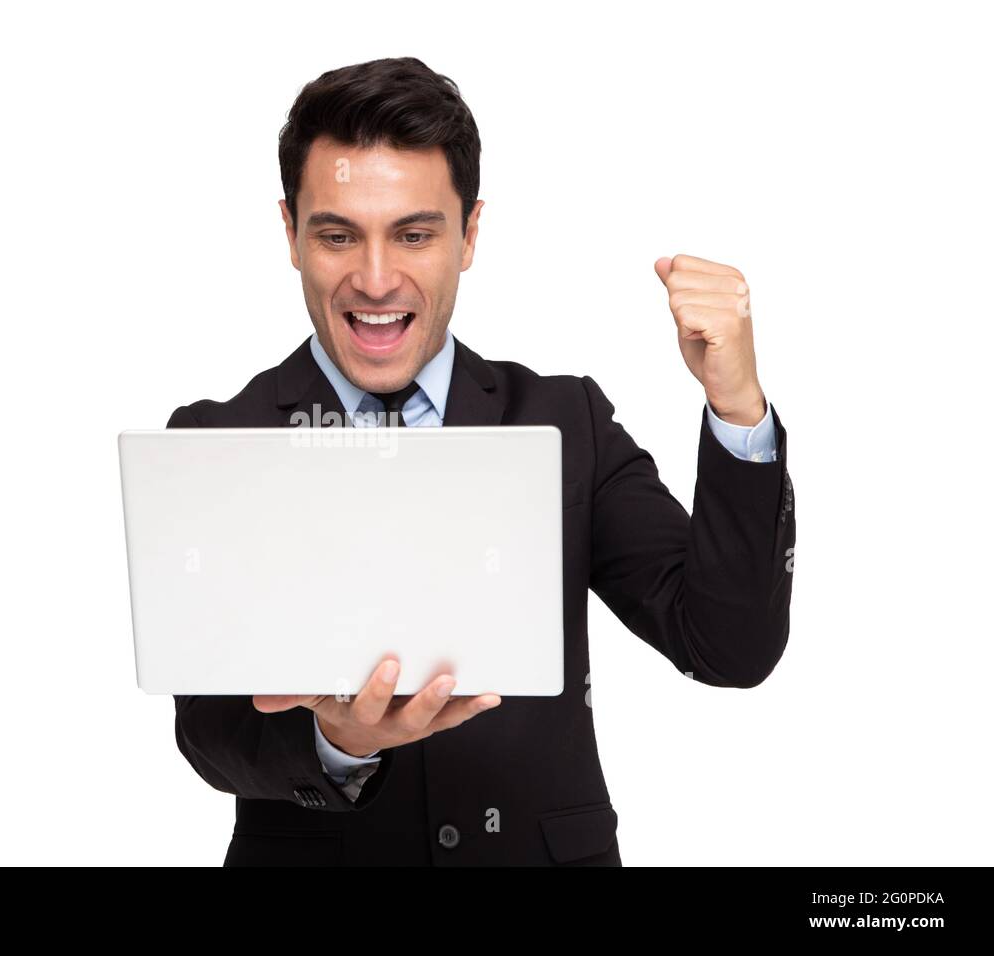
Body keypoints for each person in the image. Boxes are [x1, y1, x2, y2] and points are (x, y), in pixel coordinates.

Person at [165, 57, 795, 866]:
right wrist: (336, 740)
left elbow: (726, 645)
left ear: (469, 236)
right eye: (336, 234)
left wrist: (737, 407)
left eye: (416, 233)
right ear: (289, 233)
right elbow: (210, 736)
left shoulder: (567, 422)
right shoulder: (219, 444)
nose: (376, 278)